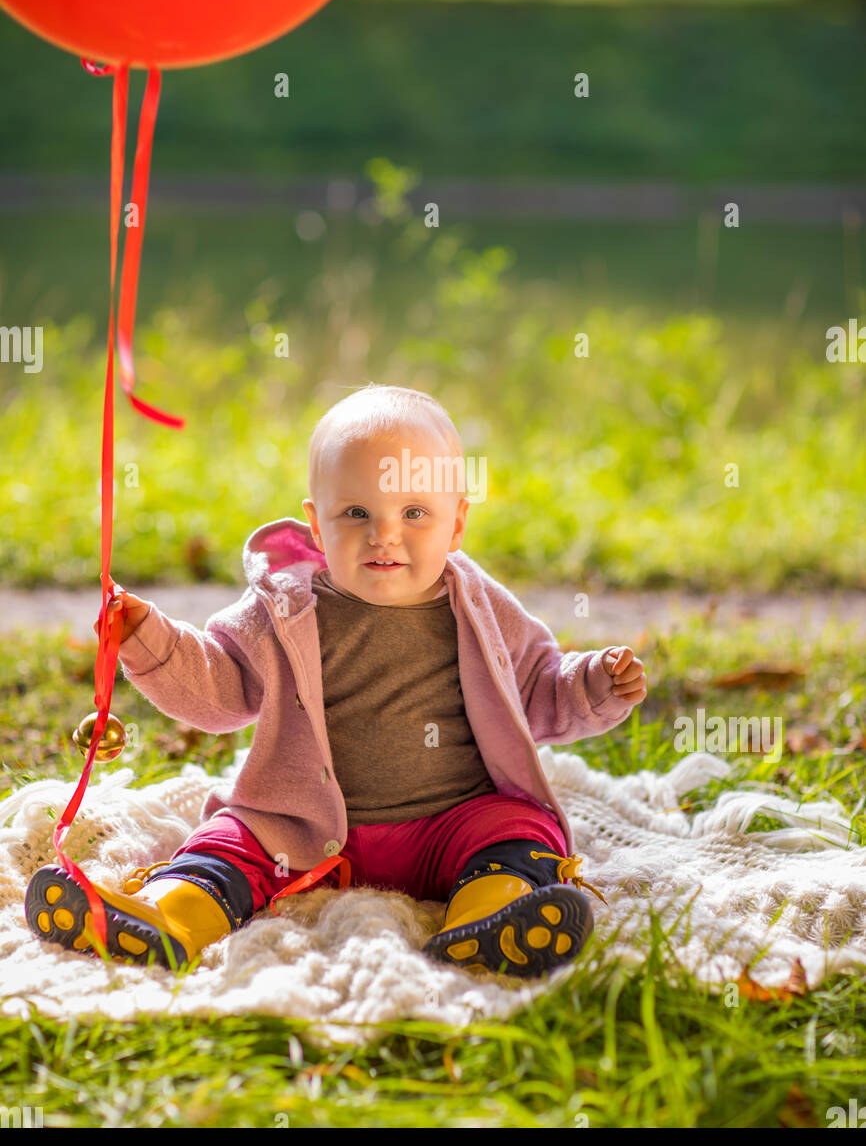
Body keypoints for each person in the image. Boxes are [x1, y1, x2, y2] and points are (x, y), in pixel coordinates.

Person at [25, 383, 646, 979]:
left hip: (453, 819)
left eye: (414, 513)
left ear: (456, 525)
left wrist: (593, 686)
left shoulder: (479, 605)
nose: (384, 534)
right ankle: (170, 920)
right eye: (356, 512)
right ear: (316, 525)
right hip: (303, 829)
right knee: (229, 843)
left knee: (519, 830)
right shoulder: (284, 608)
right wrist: (147, 639)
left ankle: (493, 920)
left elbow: (538, 689)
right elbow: (216, 688)